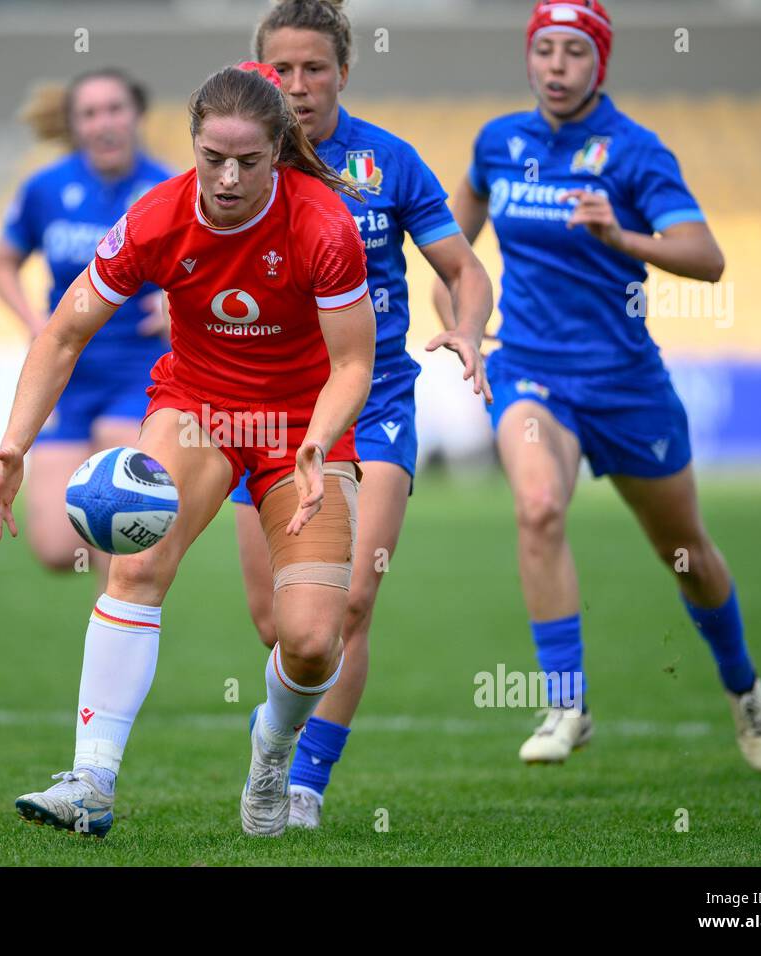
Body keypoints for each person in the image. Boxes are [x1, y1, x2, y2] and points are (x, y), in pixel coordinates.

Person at [0, 62, 375, 838]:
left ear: (278, 151)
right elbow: (63, 332)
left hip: (302, 428)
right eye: (213, 158)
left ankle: (272, 747)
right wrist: (14, 446)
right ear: (193, 144)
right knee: (135, 558)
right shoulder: (156, 218)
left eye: (249, 162)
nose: (227, 179)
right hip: (197, 409)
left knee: (311, 639)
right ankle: (90, 779)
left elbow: (355, 363)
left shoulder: (323, 224)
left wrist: (321, 440)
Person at [435, 0, 761, 769]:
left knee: (684, 549)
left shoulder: (633, 151)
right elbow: (450, 252)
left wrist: (621, 236)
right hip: (530, 370)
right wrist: (463, 325)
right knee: (537, 507)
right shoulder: (498, 143)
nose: (557, 66)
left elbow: (707, 255)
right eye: (545, 50)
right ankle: (566, 706)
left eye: (575, 53)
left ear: (601, 63)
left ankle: (742, 684)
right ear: (528, 58)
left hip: (626, 386)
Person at [233, 0, 494, 828]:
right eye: (282, 70)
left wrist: (465, 322)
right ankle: (277, 731)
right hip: (267, 408)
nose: (299, 86)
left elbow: (461, 264)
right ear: (257, 72)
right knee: (280, 621)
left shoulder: (389, 161)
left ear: (345, 70)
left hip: (373, 404)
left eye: (316, 68)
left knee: (348, 604)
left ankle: (301, 780)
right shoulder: (240, 159)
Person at [0, 69, 171, 576]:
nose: (105, 123)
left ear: (136, 115)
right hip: (63, 373)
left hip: (138, 373)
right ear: (75, 125)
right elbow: (2, 261)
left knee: (120, 526)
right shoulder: (45, 189)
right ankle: (119, 585)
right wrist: (31, 320)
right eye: (90, 113)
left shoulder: (170, 188)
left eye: (115, 109)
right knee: (54, 548)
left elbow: (211, 268)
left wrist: (176, 301)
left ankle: (117, 627)